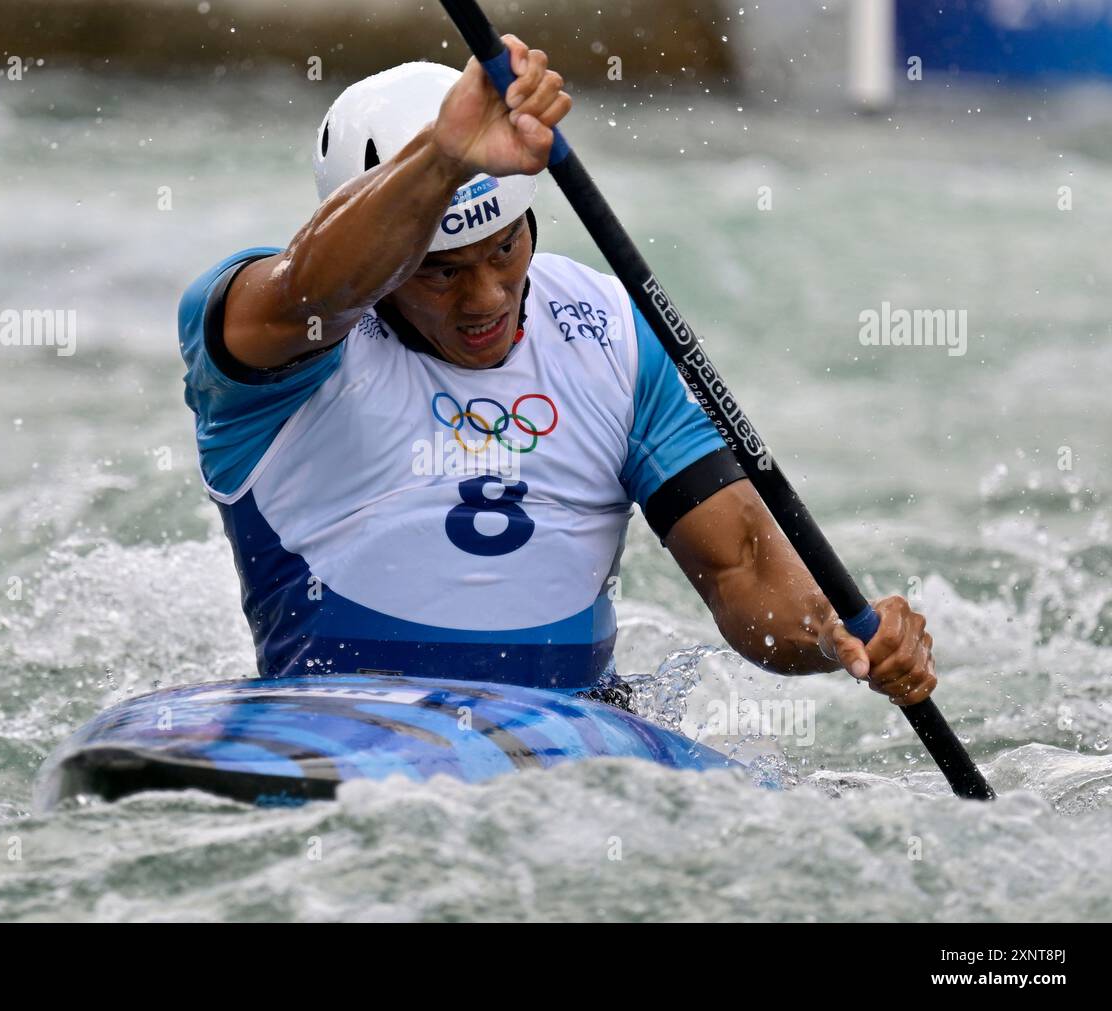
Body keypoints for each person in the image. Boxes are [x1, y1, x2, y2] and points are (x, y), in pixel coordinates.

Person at [178, 36, 936, 710]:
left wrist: (832, 628)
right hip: (345, 723)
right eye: (439, 274)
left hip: (576, 731)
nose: (485, 300)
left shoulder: (614, 331)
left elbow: (741, 567)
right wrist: (442, 156)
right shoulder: (268, 338)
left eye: (504, 251)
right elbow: (314, 285)